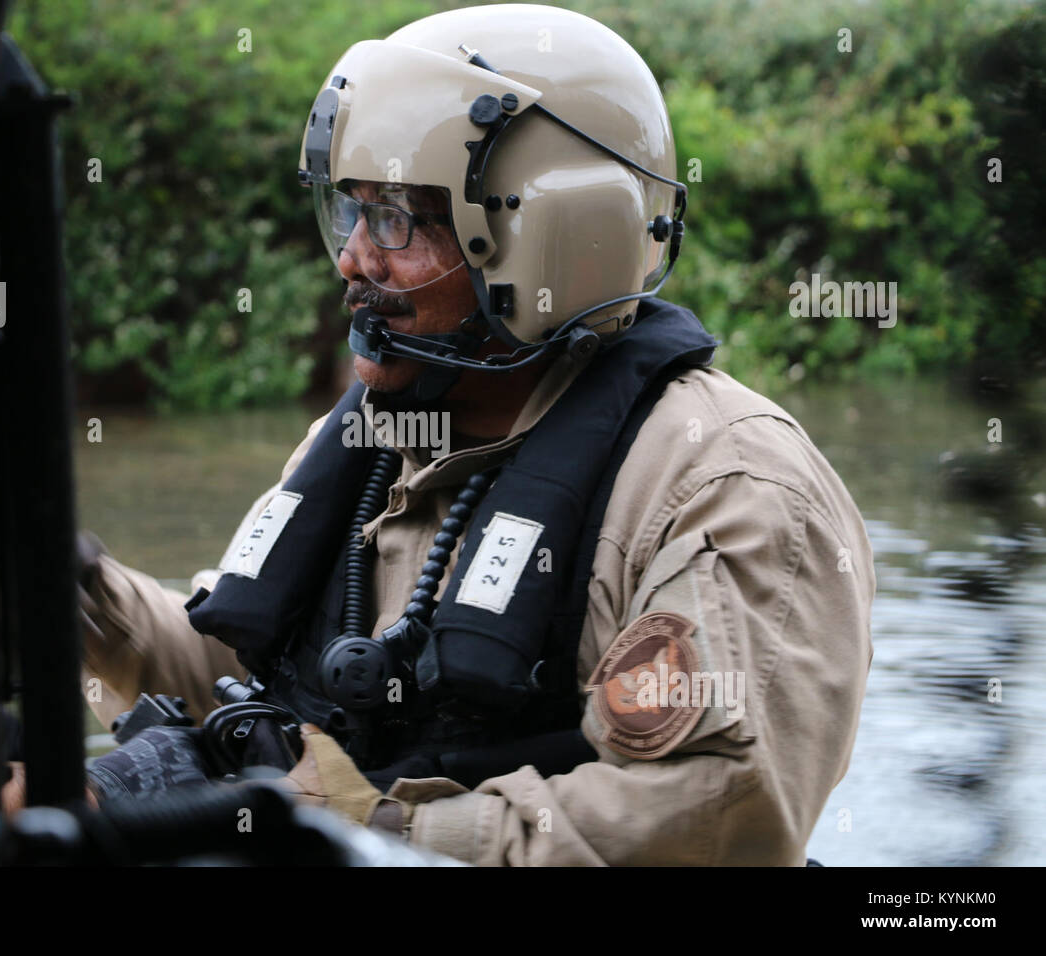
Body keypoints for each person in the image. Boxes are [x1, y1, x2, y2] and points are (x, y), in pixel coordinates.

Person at [75, 3, 874, 865]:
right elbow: (245, 676)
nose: (353, 260)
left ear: (549, 242)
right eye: (351, 213)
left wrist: (374, 830)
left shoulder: (727, 485)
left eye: (397, 221)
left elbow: (707, 818)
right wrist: (75, 593)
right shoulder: (382, 441)